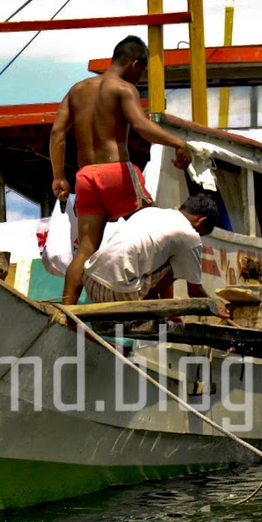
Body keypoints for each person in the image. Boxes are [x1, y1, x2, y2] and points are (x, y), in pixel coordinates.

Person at [51, 35, 195, 305]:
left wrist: (59, 176)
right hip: (116, 172)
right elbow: (140, 126)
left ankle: (66, 312)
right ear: (135, 64)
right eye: (142, 72)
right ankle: (164, 309)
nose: (140, 79)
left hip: (86, 176)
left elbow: (57, 133)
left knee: (85, 250)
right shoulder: (123, 89)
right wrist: (179, 142)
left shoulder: (76, 90)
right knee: (157, 233)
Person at [80, 191, 232, 320]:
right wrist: (214, 305)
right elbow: (194, 292)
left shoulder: (151, 212)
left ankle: (164, 309)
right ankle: (161, 308)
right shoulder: (189, 236)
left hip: (89, 281)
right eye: (201, 232)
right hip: (115, 292)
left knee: (170, 256)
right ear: (202, 221)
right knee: (177, 262)